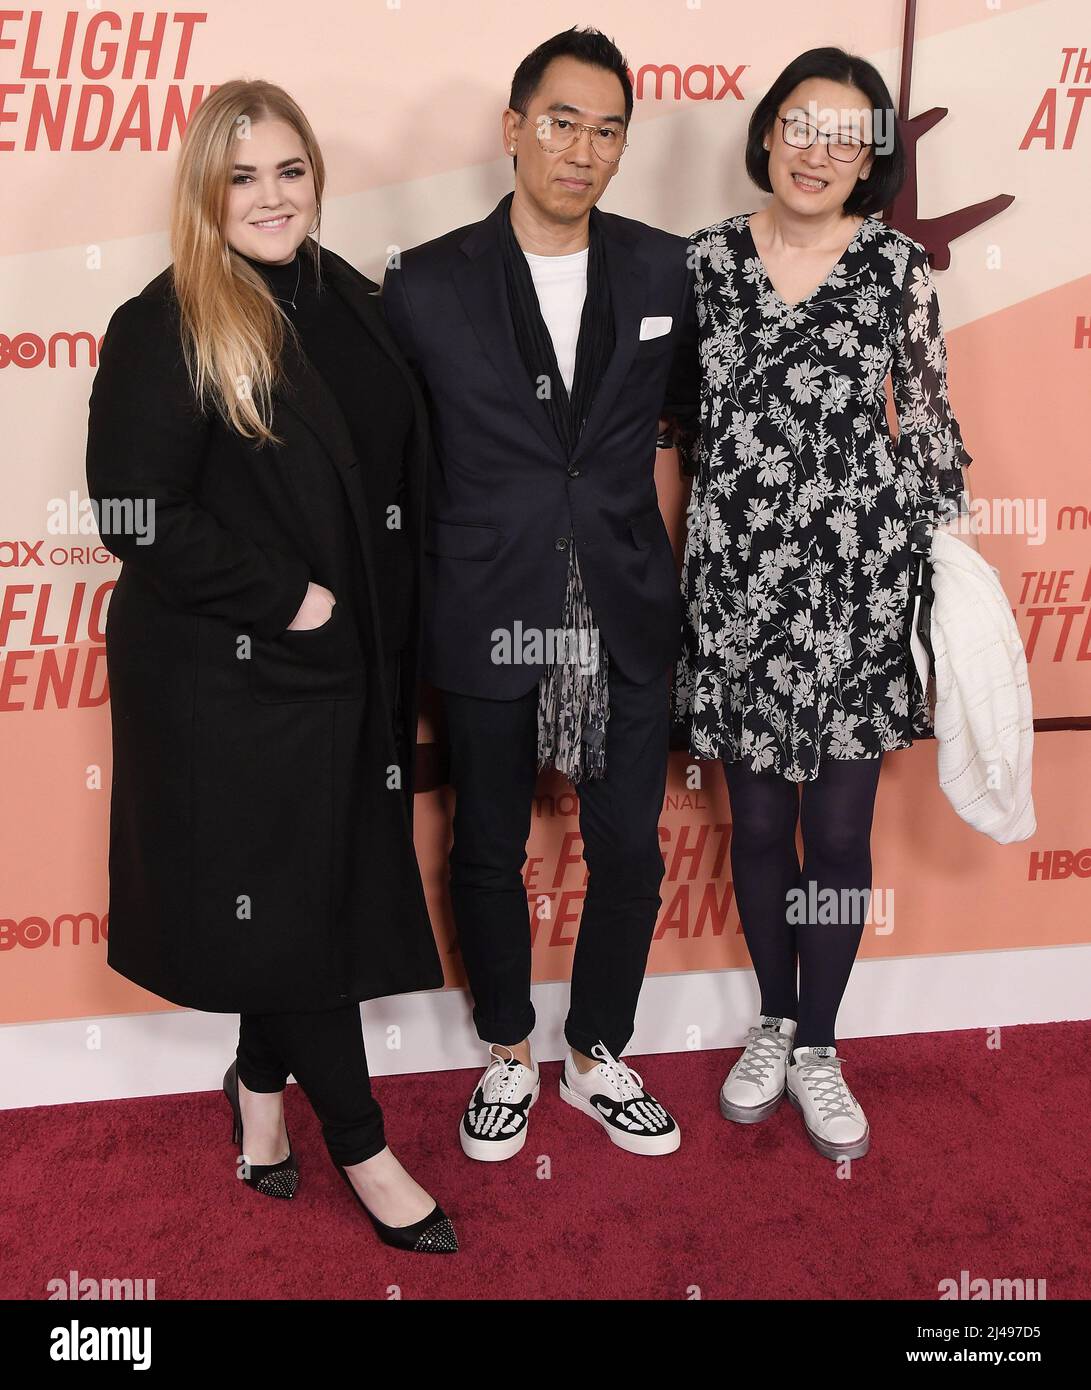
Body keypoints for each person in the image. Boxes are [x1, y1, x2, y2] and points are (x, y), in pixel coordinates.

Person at [85, 79, 457, 1252]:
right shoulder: (169, 319)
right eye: (241, 175)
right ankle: (359, 1139)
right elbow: (135, 509)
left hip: (348, 668)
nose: (270, 195)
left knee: (294, 894)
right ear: (205, 189)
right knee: (299, 906)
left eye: (288, 170)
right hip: (230, 678)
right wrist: (289, 600)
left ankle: (258, 1091)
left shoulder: (346, 297)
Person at [383, 26, 694, 1160]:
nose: (584, 149)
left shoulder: (666, 269)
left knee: (629, 851)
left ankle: (598, 1049)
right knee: (485, 848)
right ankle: (508, 1050)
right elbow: (391, 458)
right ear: (512, 129)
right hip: (483, 596)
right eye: (561, 121)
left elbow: (710, 416)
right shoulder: (420, 284)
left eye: (607, 129)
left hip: (622, 601)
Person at [670, 47, 975, 1162]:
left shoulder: (897, 266)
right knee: (754, 823)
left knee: (836, 832)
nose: (819, 151)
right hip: (737, 584)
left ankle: (821, 1045)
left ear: (872, 160)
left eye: (847, 136)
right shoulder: (696, 264)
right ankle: (773, 1018)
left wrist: (948, 567)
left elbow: (930, 424)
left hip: (857, 584)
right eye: (803, 123)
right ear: (766, 131)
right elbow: (654, 416)